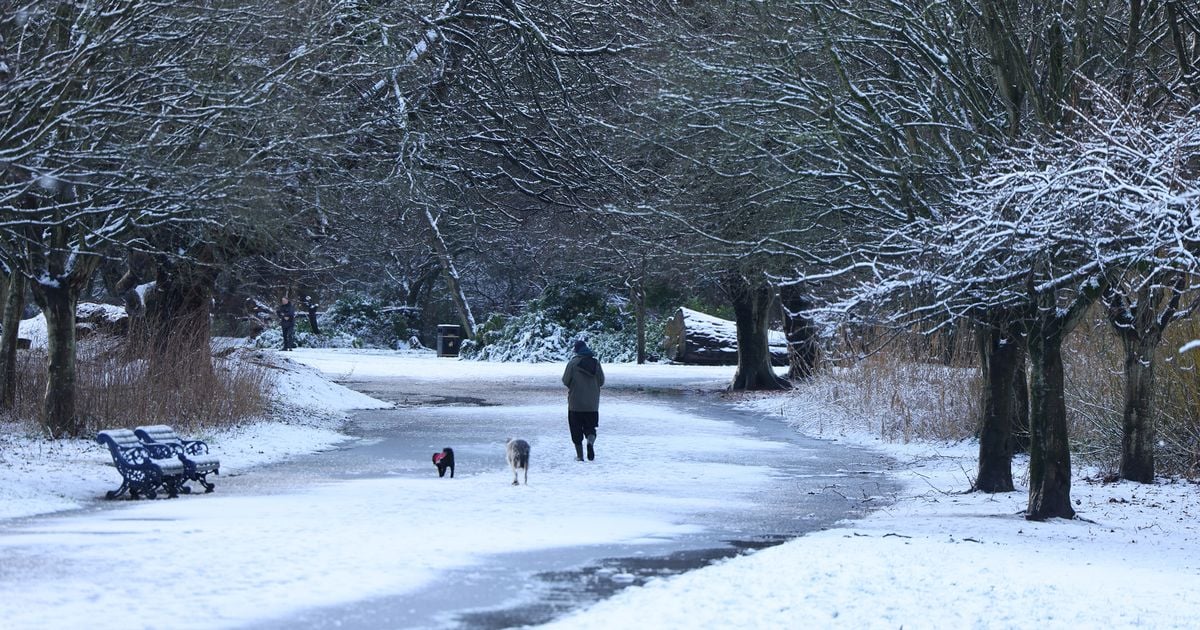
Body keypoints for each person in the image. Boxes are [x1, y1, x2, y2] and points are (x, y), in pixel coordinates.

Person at [562, 339, 604, 461]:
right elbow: (601, 381)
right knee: (590, 428)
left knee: (576, 430)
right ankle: (590, 442)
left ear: (576, 351)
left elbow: (565, 380)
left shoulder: (572, 363)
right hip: (592, 404)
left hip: (575, 403)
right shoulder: (596, 363)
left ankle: (580, 456)